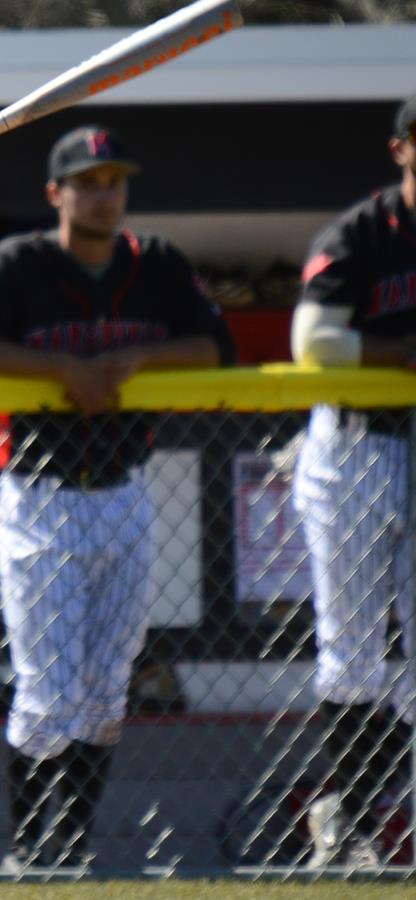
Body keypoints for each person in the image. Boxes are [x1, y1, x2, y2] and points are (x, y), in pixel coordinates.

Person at [0, 125, 235, 875]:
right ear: (56, 192)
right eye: (89, 181)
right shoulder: (19, 263)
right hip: (40, 493)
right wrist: (60, 369)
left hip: (126, 489)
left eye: (114, 181)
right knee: (45, 689)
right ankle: (29, 850)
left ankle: (71, 844)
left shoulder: (155, 262)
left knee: (106, 692)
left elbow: (216, 346)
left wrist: (137, 356)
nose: (105, 194)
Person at [288, 93, 416, 870]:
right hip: (356, 445)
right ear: (402, 147)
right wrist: (404, 356)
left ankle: (353, 806)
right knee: (352, 651)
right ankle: (351, 815)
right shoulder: (364, 231)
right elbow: (317, 344)